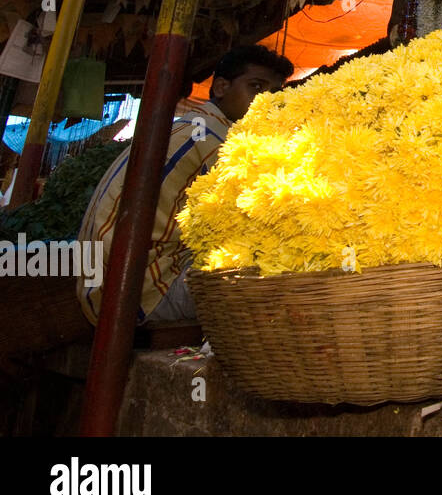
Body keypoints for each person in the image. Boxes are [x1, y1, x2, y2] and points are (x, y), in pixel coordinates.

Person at [77, 44, 292, 325]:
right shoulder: (218, 141)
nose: (266, 101)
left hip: (103, 288)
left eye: (274, 93)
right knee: (285, 263)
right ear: (221, 88)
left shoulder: (194, 125)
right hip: (141, 292)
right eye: (256, 87)